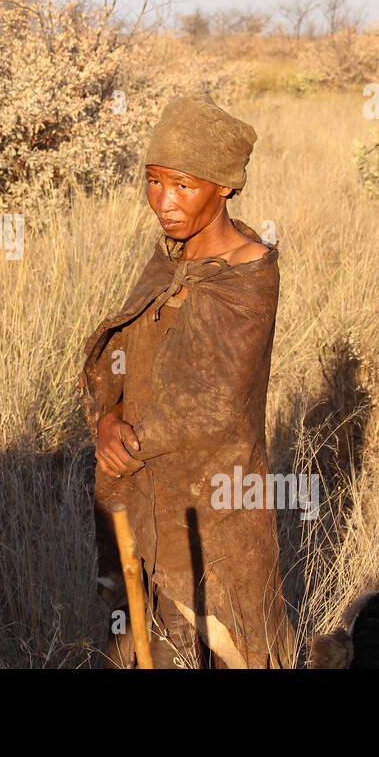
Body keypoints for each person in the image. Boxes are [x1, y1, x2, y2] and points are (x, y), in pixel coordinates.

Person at [80, 96, 297, 668]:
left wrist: (131, 444)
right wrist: (106, 420)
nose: (164, 202)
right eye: (153, 182)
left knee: (224, 640)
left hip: (216, 502)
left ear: (224, 187)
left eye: (183, 185)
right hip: (140, 485)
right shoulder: (167, 261)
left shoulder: (248, 275)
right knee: (145, 639)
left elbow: (217, 406)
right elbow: (118, 356)